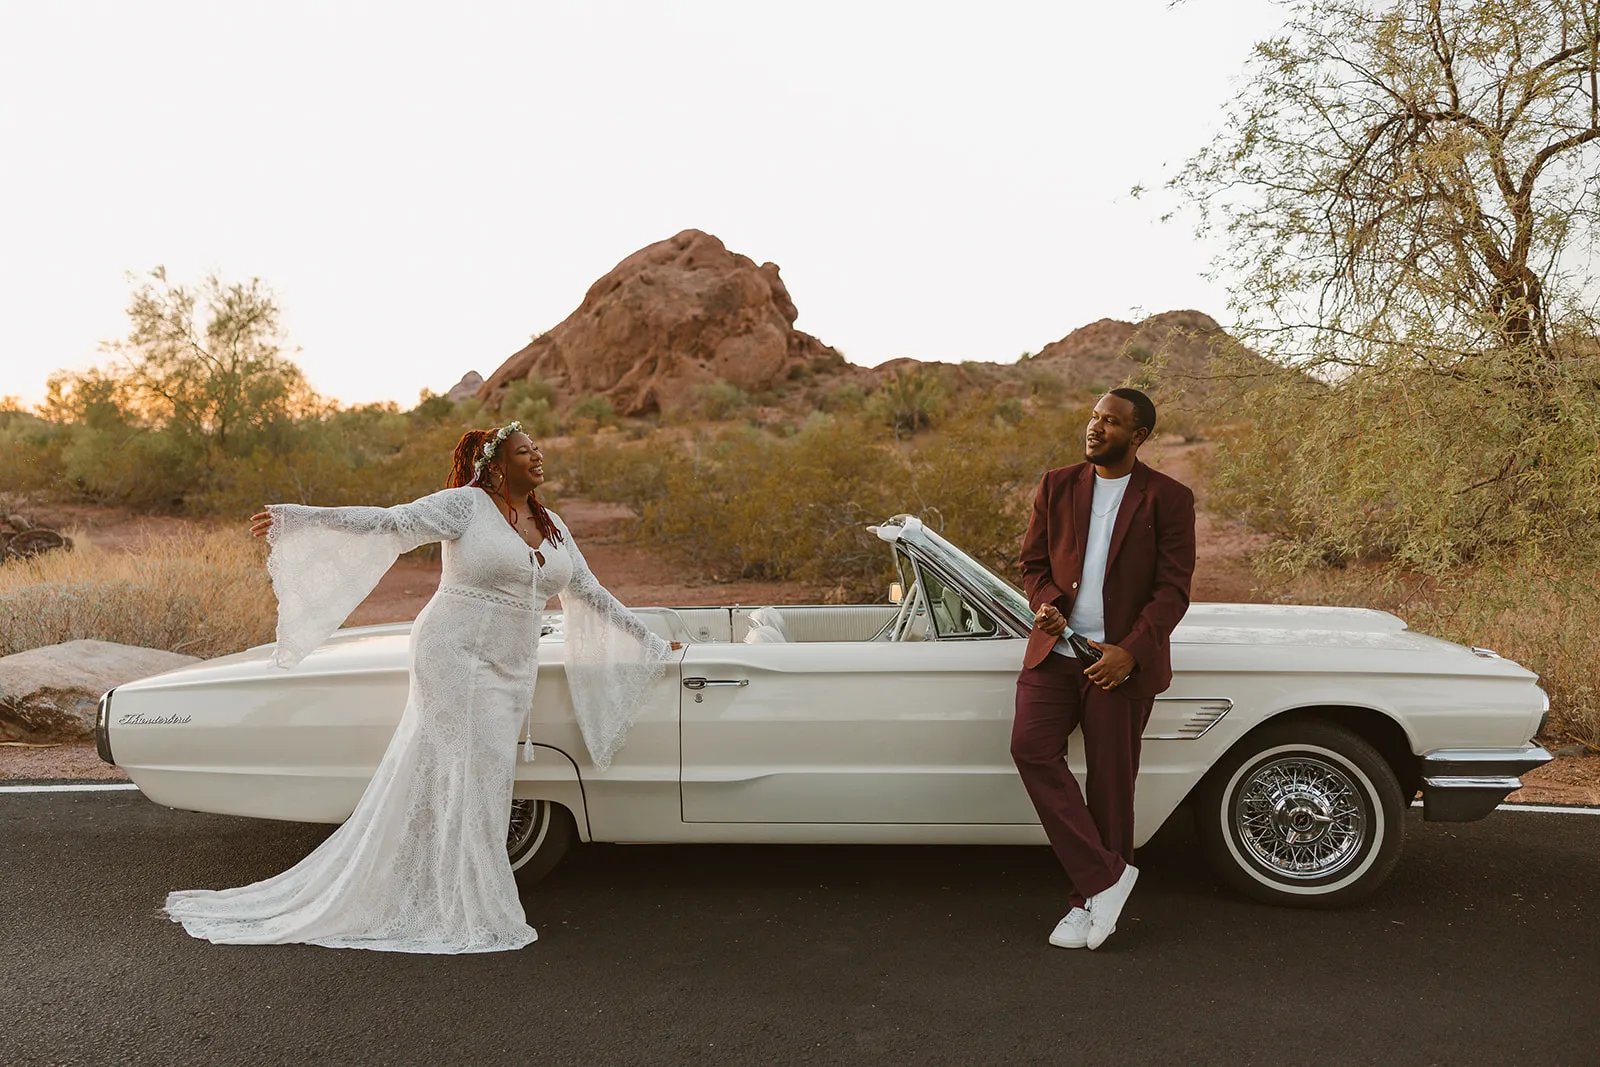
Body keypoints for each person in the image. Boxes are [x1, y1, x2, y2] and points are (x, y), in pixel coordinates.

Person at [164, 422, 678, 953]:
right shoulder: (464, 506)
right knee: (475, 770)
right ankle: (474, 904)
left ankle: (449, 885)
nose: (538, 456)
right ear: (497, 465)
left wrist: (650, 640)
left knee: (487, 774)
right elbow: (393, 521)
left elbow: (589, 590)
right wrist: (304, 518)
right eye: (526, 451)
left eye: (536, 449)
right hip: (451, 652)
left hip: (510, 666)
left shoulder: (552, 525)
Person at [1012, 388, 1196, 950]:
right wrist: (1045, 602)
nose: (1095, 427)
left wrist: (1130, 652)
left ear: (1138, 436)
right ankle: (1105, 879)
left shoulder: (1168, 498)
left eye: (1110, 422)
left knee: (1112, 786)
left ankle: (1088, 905)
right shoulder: (1056, 485)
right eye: (1094, 417)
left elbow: (1173, 590)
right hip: (1055, 652)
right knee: (1030, 749)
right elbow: (1033, 564)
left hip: (1119, 664)